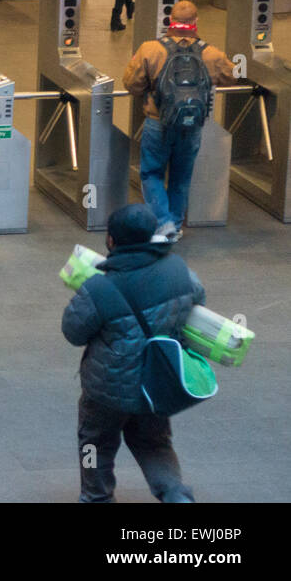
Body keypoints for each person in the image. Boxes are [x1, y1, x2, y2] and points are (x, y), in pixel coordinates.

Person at [61, 203, 206, 503]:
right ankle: (176, 495)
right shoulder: (180, 272)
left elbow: (73, 332)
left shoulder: (100, 288)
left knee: (94, 445)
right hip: (157, 382)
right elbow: (197, 300)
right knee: (154, 443)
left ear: (112, 241)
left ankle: (96, 497)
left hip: (107, 390)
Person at [123, 0, 238, 241]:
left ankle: (163, 223)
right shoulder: (211, 53)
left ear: (170, 21)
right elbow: (231, 77)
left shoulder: (150, 49)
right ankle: (175, 224)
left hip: (158, 122)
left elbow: (132, 83)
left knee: (151, 173)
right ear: (195, 23)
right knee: (181, 177)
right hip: (192, 125)